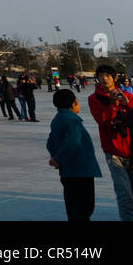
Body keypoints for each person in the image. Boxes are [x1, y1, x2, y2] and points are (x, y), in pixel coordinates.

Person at [87, 64, 133, 221]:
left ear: (114, 78)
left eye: (108, 75)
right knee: (125, 195)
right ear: (98, 78)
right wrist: (113, 104)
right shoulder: (94, 99)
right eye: (101, 75)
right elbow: (102, 120)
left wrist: (126, 103)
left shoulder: (128, 95)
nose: (105, 78)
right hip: (114, 152)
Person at [47, 88, 102, 222]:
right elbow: (72, 141)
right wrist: (58, 159)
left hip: (67, 172)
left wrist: (56, 158)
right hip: (81, 170)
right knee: (84, 207)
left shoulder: (57, 119)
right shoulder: (73, 120)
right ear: (73, 103)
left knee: (72, 206)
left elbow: (50, 142)